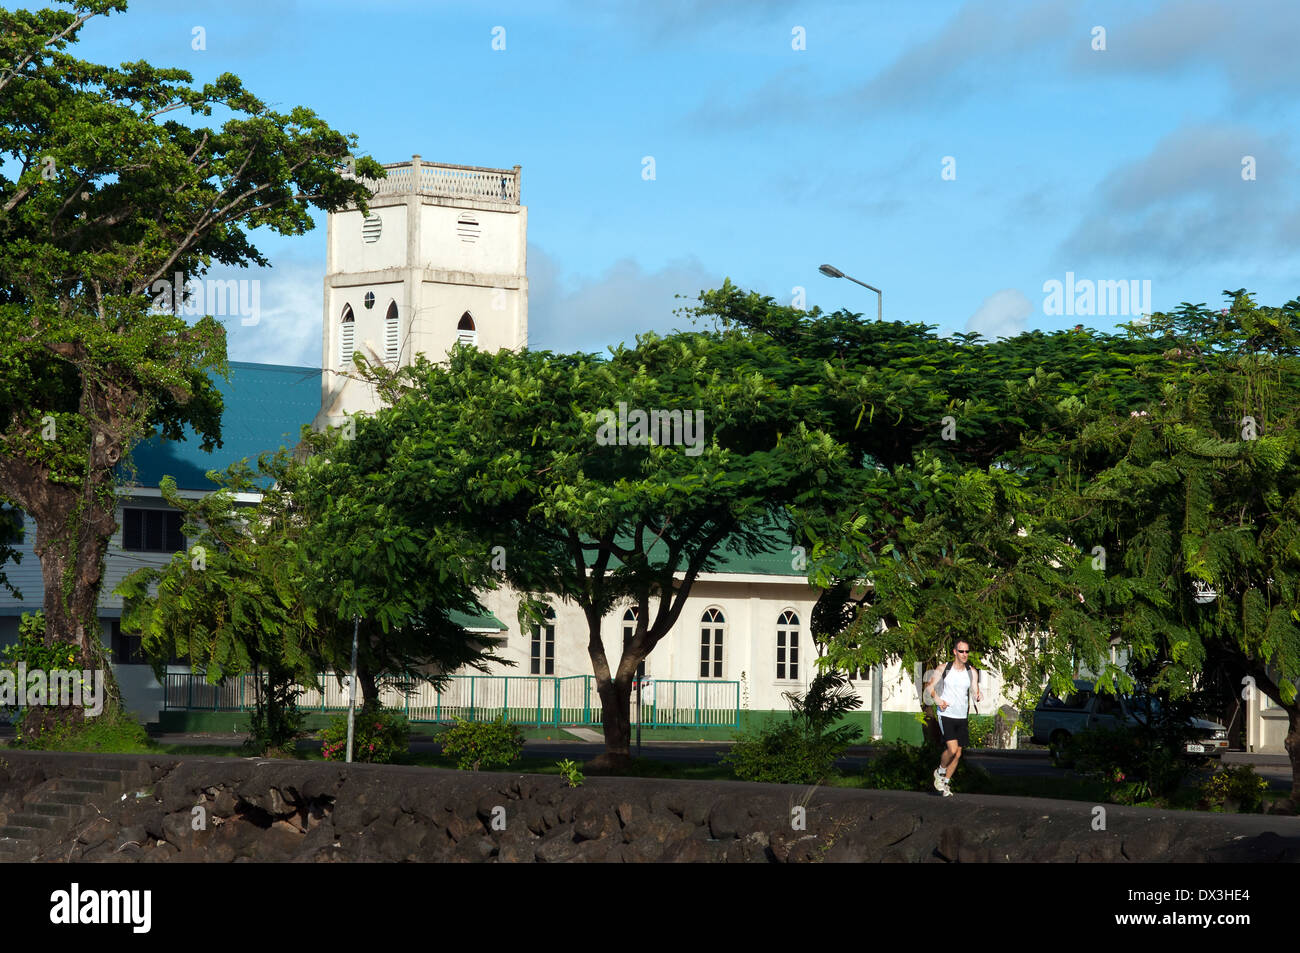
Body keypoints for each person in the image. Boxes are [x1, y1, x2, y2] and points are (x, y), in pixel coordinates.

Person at [924, 639, 981, 796]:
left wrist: (978, 695)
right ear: (955, 652)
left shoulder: (972, 671)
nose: (964, 655)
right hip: (946, 714)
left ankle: (945, 784)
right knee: (952, 749)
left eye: (967, 652)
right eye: (961, 651)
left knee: (958, 753)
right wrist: (938, 700)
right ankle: (940, 771)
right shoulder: (944, 668)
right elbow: (929, 687)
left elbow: (975, 689)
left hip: (961, 715)